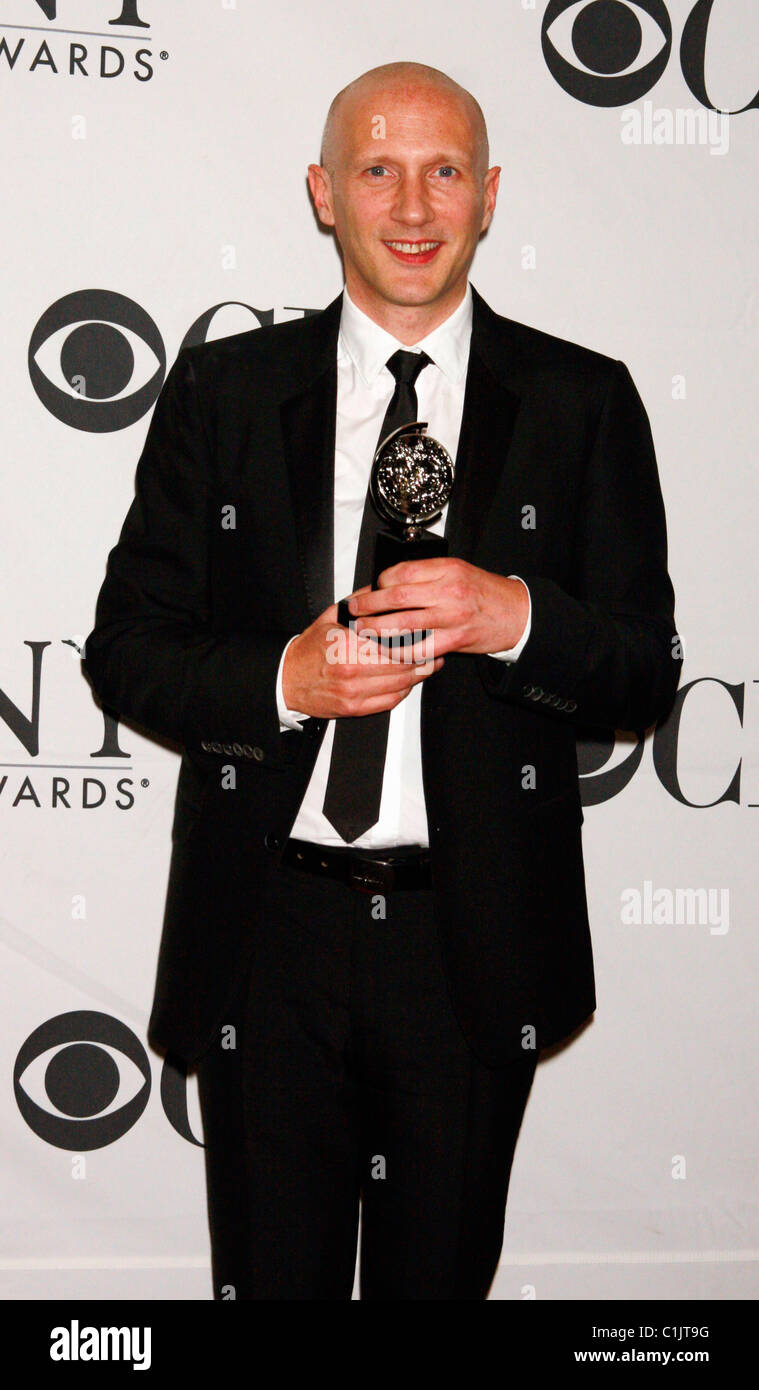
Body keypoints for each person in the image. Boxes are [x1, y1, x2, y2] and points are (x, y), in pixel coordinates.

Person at [83, 61, 681, 1300]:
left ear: (491, 194)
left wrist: (517, 617)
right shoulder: (226, 392)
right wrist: (286, 679)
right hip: (267, 938)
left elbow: (642, 671)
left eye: (445, 170)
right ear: (323, 194)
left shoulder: (584, 403)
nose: (414, 206)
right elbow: (126, 648)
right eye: (378, 169)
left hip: (468, 950)